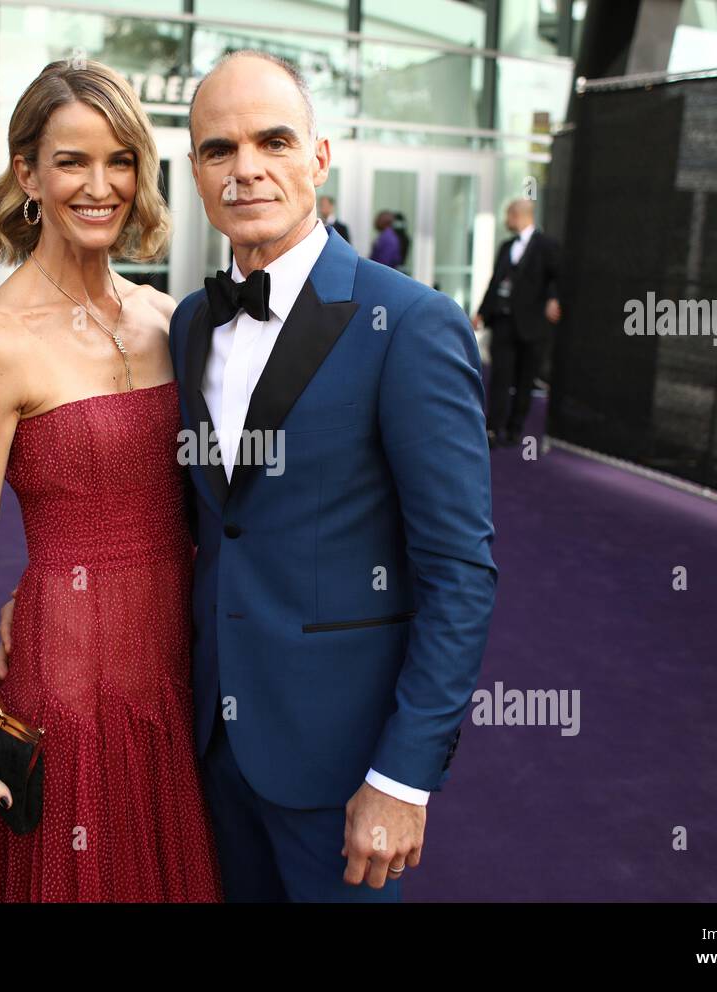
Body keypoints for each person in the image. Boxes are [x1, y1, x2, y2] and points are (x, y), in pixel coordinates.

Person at [172, 50, 497, 902]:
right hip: (212, 740)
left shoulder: (412, 325)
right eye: (218, 150)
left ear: (318, 157)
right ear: (198, 173)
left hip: (345, 769)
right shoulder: (188, 324)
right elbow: (209, 525)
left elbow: (459, 573)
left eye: (273, 141)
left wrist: (403, 778)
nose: (246, 169)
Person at [0, 59, 222, 903]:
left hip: (182, 655)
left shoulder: (173, 318)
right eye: (72, 161)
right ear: (28, 173)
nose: (101, 186)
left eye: (120, 160)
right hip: (74, 673)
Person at [473, 197, 561, 447]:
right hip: (503, 322)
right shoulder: (505, 247)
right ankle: (493, 428)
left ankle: (515, 427)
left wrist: (553, 300)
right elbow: (495, 281)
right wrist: (482, 312)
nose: (505, 221)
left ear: (518, 215)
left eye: (508, 215)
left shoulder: (547, 246)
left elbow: (557, 278)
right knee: (500, 376)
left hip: (532, 326)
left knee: (524, 379)